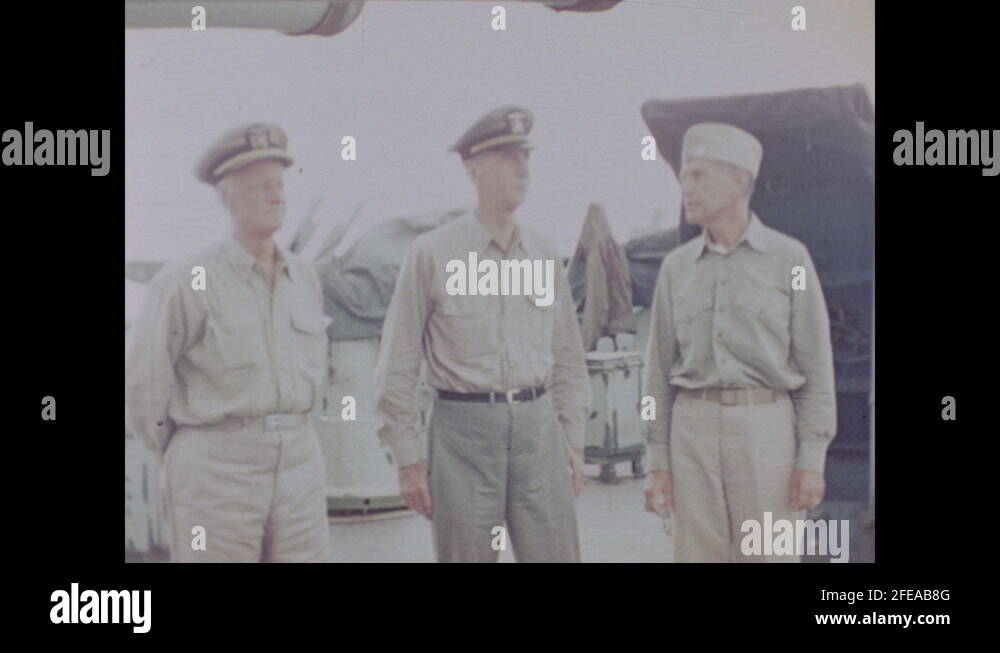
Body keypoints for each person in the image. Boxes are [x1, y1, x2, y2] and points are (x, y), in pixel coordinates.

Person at [374, 106, 591, 562]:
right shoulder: (432, 254)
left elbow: (569, 358)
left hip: (538, 432)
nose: (522, 168)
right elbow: (397, 361)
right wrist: (407, 456)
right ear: (473, 169)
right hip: (462, 437)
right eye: (507, 157)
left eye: (525, 156)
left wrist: (572, 440)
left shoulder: (544, 254)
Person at [125, 122, 332, 562]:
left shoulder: (304, 278)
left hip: (299, 469)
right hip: (216, 474)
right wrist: (191, 458)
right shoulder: (187, 281)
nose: (276, 196)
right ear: (226, 197)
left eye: (279, 184)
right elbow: (144, 394)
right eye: (260, 186)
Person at [641, 122, 837, 562]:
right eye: (683, 177)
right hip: (691, 431)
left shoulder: (791, 259)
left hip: (766, 430)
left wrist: (813, 457)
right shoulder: (676, 268)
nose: (686, 188)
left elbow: (817, 368)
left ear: (739, 180)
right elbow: (655, 374)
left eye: (698, 175)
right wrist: (657, 460)